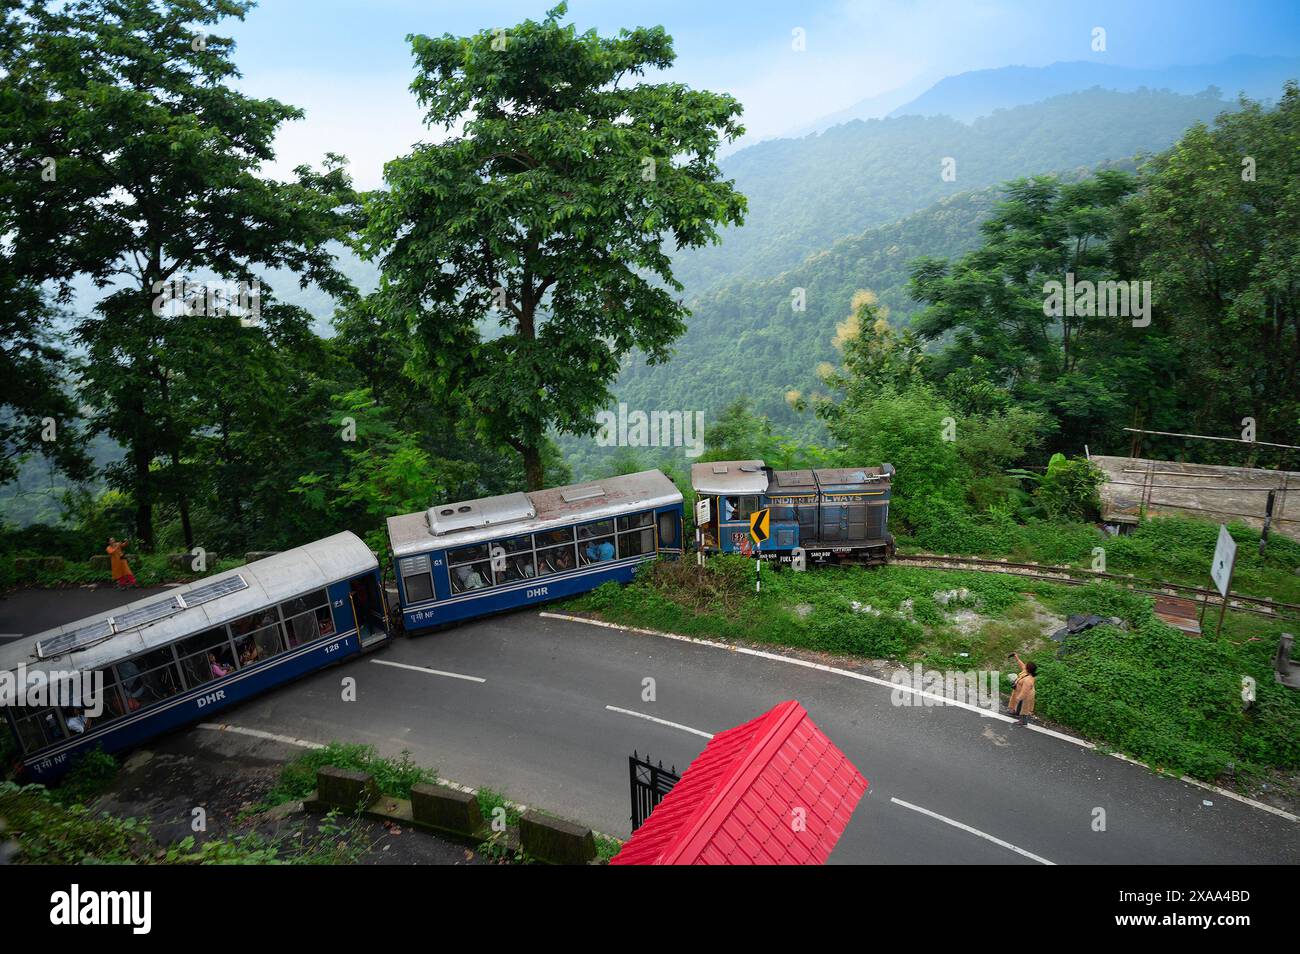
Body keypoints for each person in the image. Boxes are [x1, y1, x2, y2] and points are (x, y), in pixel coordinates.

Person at [1007, 652, 1037, 726]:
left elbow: (1025, 692)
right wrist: (1016, 657)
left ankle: (1023, 721)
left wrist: (1019, 698)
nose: (1025, 665)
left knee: (1024, 708)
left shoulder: (1028, 680)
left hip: (1025, 695)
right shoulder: (1026, 672)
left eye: (1026, 665)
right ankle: (1016, 712)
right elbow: (1022, 665)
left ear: (1028, 668)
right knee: (1019, 705)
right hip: (1019, 691)